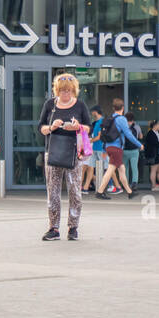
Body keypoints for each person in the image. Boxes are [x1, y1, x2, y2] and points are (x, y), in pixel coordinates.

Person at [38, 72, 90, 241]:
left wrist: (77, 127)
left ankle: (73, 227)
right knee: (52, 192)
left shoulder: (80, 106)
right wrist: (52, 127)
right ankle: (53, 228)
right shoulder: (50, 105)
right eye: (61, 91)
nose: (65, 94)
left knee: (75, 191)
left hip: (74, 153)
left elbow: (88, 128)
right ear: (56, 90)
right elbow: (41, 128)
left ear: (73, 90)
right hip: (52, 153)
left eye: (68, 91)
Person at [95, 99, 141, 200]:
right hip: (117, 148)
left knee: (122, 170)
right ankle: (100, 191)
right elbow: (128, 134)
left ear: (113, 108)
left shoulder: (109, 118)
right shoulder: (122, 119)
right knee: (111, 170)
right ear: (123, 108)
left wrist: (104, 150)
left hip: (108, 147)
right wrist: (139, 144)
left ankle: (129, 192)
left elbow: (104, 134)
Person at [82, 106, 104, 193]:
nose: (92, 114)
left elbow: (99, 137)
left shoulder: (101, 122)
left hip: (100, 148)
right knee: (90, 168)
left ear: (96, 112)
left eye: (92, 112)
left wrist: (89, 140)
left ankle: (109, 186)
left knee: (105, 169)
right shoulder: (97, 122)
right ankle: (86, 187)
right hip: (95, 148)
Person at [124, 116, 142, 191]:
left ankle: (126, 184)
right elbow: (141, 137)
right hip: (134, 150)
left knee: (125, 168)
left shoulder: (123, 126)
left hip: (124, 150)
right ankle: (134, 183)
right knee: (134, 168)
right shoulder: (137, 127)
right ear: (133, 120)